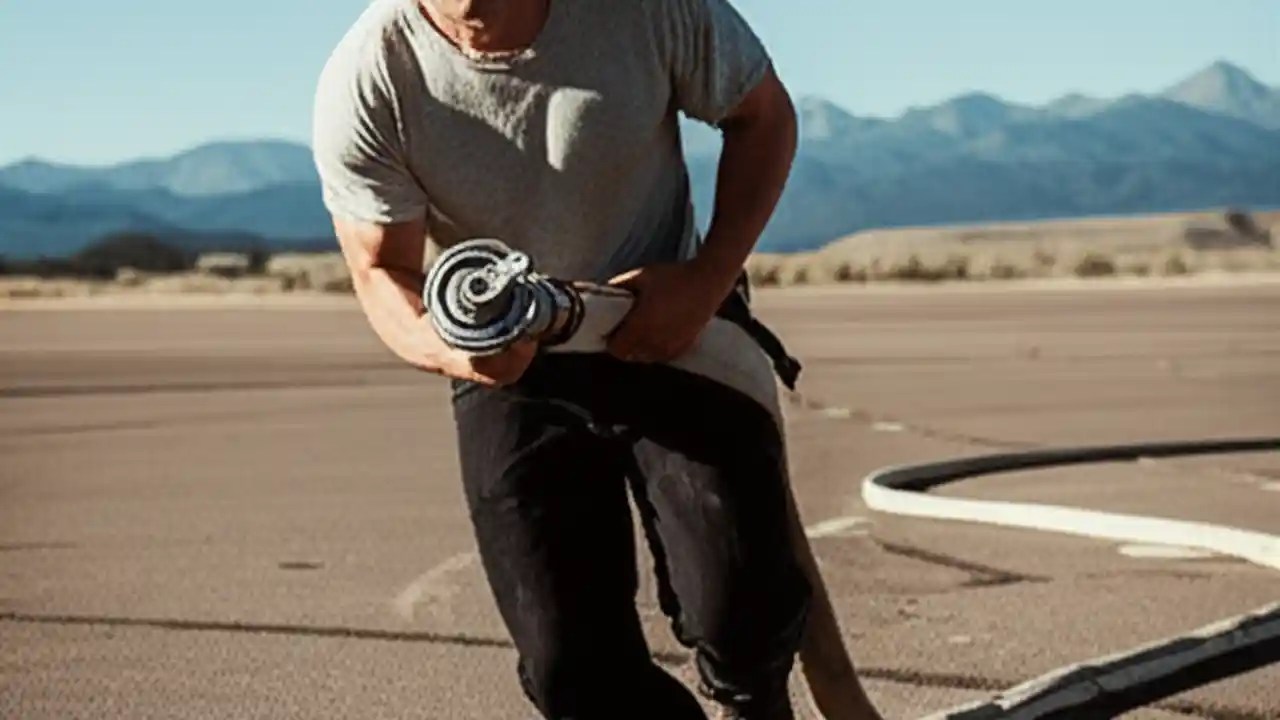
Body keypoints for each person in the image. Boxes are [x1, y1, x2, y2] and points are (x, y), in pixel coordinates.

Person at [312, 1, 866, 718]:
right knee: (571, 671)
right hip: (515, 360)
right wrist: (457, 349)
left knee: (741, 612)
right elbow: (382, 270)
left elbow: (763, 116)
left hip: (671, 321)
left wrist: (706, 280)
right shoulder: (371, 75)